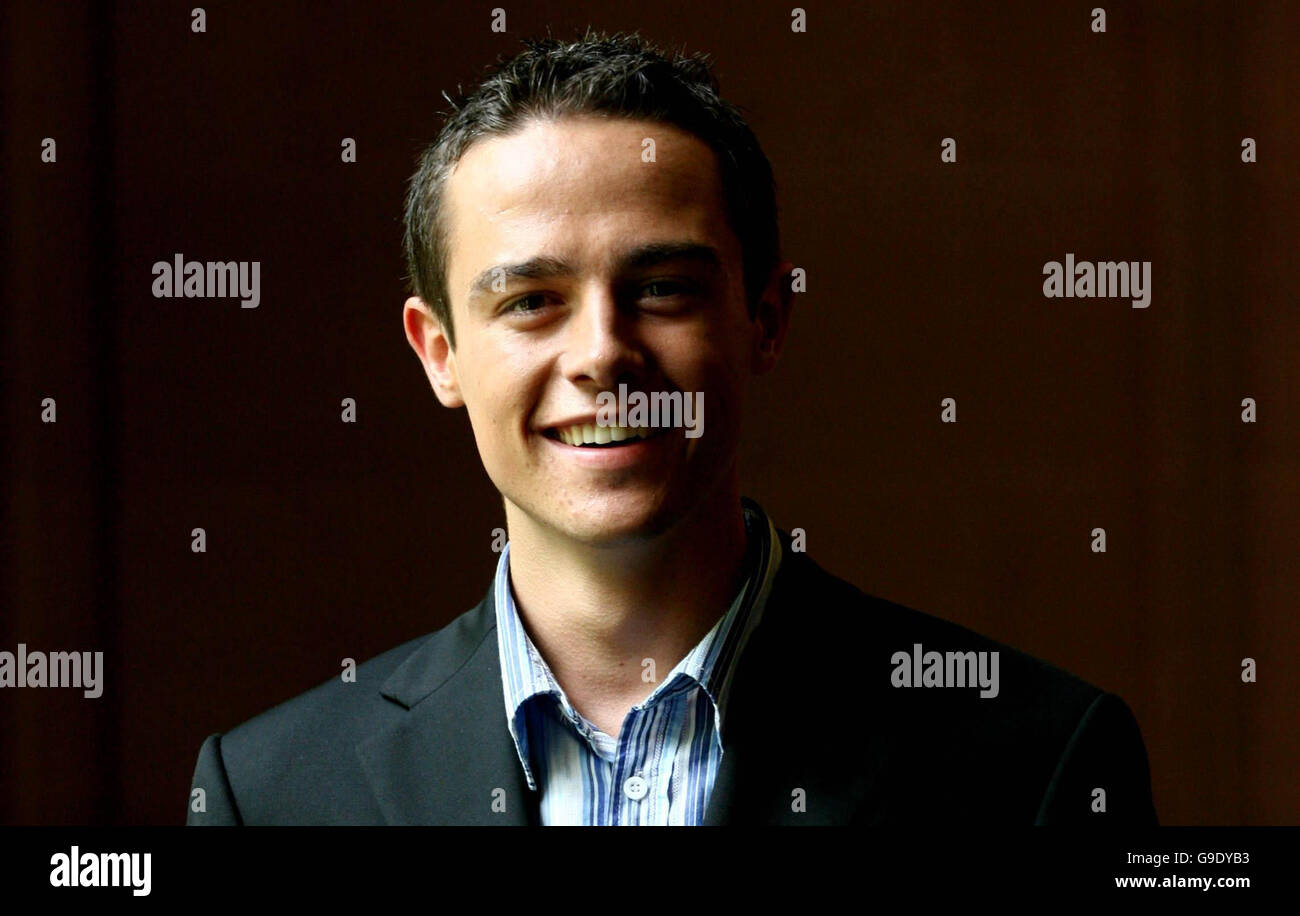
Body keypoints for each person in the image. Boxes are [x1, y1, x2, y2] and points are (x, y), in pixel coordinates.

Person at [186, 31, 1157, 826]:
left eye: (659, 288)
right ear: (438, 352)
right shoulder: (267, 794)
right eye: (530, 299)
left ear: (765, 322)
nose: (602, 352)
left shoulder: (1033, 761)